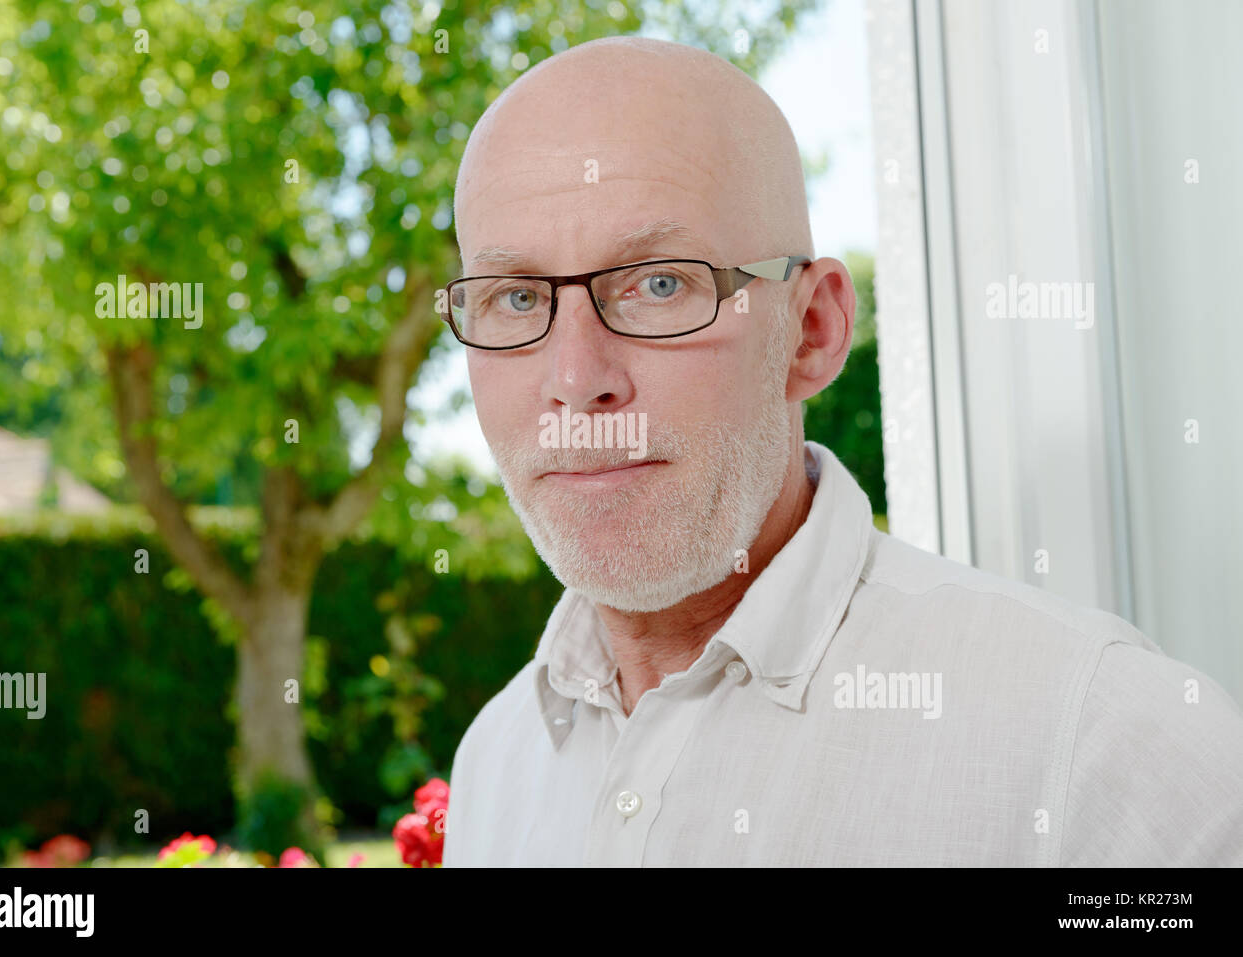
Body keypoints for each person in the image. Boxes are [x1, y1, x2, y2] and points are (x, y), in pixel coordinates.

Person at [440, 36, 1243, 866]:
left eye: (660, 283)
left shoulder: (1102, 747)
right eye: (516, 297)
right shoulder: (498, 761)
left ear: (811, 331)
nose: (577, 379)